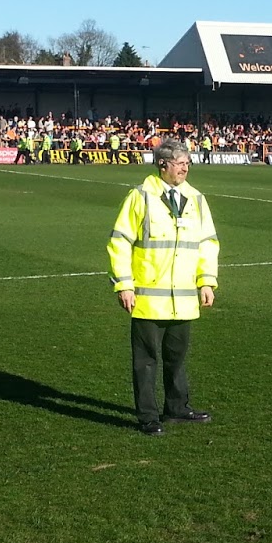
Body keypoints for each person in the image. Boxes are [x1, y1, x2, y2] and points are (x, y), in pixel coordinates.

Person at [107, 138, 220, 435]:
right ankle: (147, 416)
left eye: (187, 163)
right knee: (146, 361)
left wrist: (207, 281)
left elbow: (207, 242)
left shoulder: (196, 198)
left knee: (177, 357)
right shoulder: (140, 197)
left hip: (183, 298)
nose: (185, 168)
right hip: (147, 297)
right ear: (162, 165)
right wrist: (124, 284)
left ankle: (177, 407)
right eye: (179, 163)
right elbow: (120, 241)